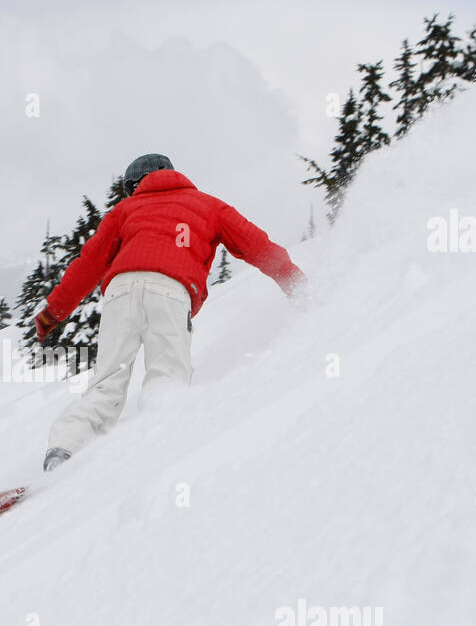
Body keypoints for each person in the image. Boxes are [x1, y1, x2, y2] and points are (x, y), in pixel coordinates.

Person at [34, 153, 306, 471]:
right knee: (167, 374)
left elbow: (88, 264)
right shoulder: (209, 205)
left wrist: (54, 312)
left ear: (134, 186)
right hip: (171, 291)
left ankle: (64, 448)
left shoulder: (125, 210)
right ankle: (154, 449)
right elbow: (258, 246)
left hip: (120, 291)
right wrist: (297, 284)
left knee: (107, 380)